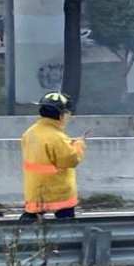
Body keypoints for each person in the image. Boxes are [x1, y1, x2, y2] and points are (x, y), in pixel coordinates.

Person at [20, 92, 85, 222]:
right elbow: (70, 160)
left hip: (35, 189)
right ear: (61, 115)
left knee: (30, 220)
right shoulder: (57, 137)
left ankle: (19, 238)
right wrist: (78, 146)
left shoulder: (30, 132)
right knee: (66, 224)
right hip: (57, 191)